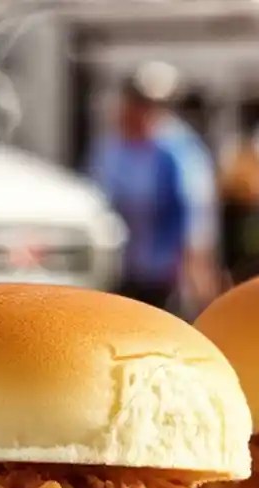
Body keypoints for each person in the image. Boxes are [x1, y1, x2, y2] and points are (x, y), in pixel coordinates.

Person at [88, 63, 221, 315]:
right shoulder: (110, 147)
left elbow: (194, 211)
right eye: (136, 101)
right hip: (119, 265)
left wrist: (196, 267)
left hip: (163, 271)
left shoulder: (178, 149)